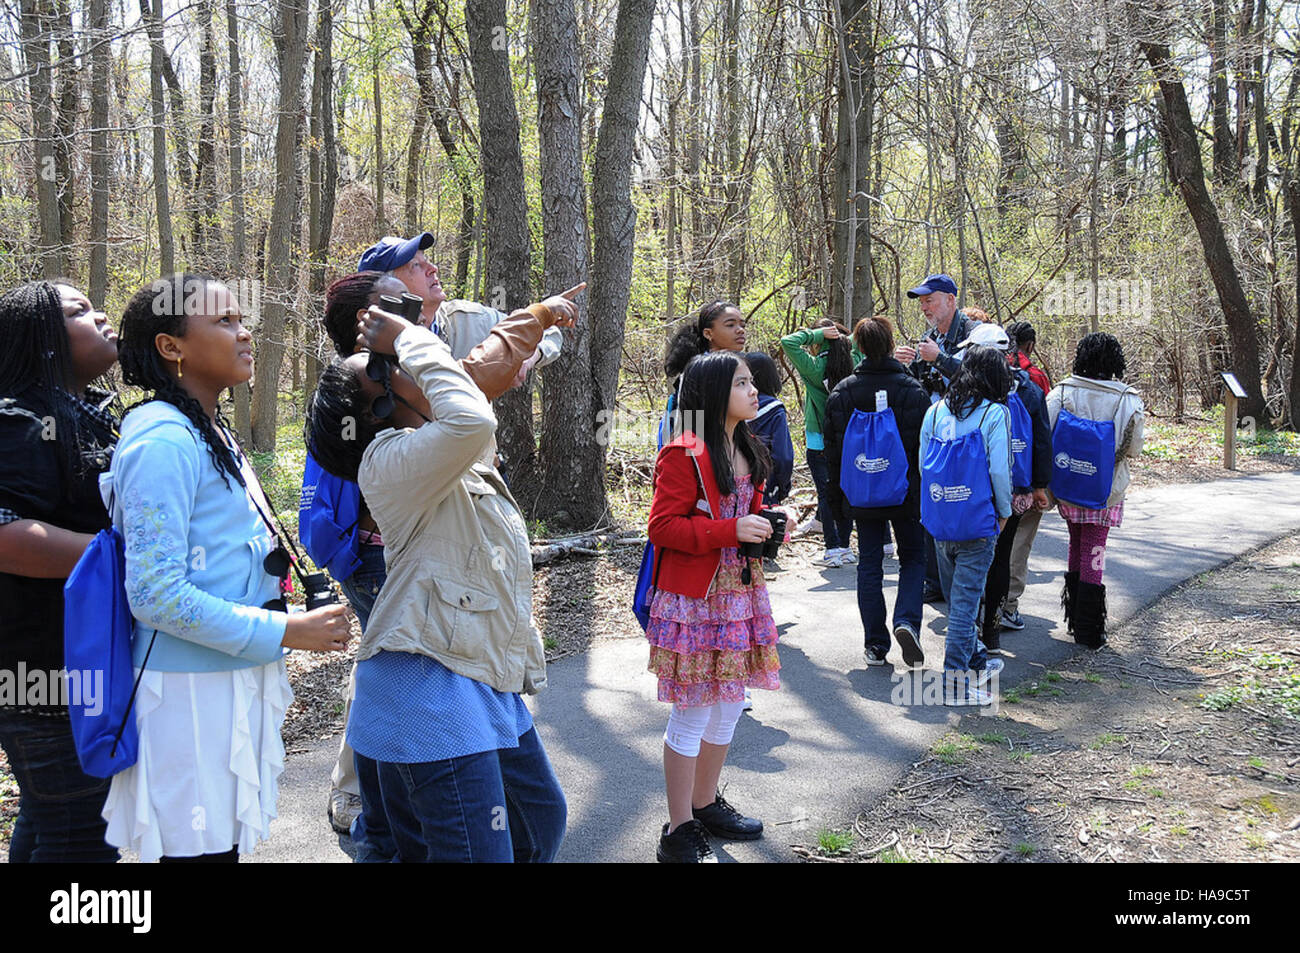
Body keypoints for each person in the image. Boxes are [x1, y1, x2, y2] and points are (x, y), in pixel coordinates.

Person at [306, 287, 578, 863]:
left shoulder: (436, 450)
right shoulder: (386, 464)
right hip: (427, 687)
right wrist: (408, 337)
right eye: (387, 369)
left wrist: (536, 317)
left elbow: (480, 378)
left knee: (538, 825)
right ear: (377, 408)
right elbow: (471, 415)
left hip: (475, 669)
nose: (410, 366)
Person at [103, 274, 352, 862]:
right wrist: (287, 629)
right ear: (172, 347)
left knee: (223, 851)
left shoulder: (203, 428)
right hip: (187, 695)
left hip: (226, 679)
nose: (245, 334)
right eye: (225, 322)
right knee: (199, 856)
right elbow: (156, 595)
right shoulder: (162, 439)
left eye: (243, 320)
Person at [0, 280, 121, 863]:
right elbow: (6, 537)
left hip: (82, 665)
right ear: (42, 337)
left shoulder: (85, 412)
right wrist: (124, 555)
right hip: (45, 674)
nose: (102, 318)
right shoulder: (18, 420)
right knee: (82, 837)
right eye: (81, 312)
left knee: (54, 820)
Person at [646, 351, 780, 863]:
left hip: (741, 594)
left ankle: (704, 803)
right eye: (742, 383)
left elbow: (742, 514)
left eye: (752, 382)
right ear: (712, 391)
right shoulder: (685, 451)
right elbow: (661, 527)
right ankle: (677, 829)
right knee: (694, 710)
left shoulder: (745, 444)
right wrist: (729, 530)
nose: (754, 391)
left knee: (728, 703)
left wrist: (765, 526)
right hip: (694, 602)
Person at [824, 315, 930, 669]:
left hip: (861, 492)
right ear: (889, 345)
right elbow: (926, 448)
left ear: (858, 347)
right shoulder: (913, 391)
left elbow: (832, 453)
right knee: (913, 558)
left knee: (869, 562)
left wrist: (838, 503)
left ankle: (875, 645)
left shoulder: (842, 392)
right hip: (907, 493)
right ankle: (906, 621)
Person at [919, 346, 1012, 706]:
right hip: (977, 521)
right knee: (964, 604)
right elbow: (1000, 470)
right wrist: (1003, 512)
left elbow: (924, 466)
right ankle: (955, 684)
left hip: (941, 520)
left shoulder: (936, 410)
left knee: (956, 599)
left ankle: (975, 660)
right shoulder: (995, 413)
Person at [950, 326, 1052, 654]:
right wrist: (1039, 486)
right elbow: (1041, 442)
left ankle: (966, 630)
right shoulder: (1028, 389)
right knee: (1000, 560)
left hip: (969, 490)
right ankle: (991, 632)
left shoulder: (964, 392)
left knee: (966, 558)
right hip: (1015, 491)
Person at [1046, 333, 1145, 649]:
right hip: (1106, 490)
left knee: (1076, 542)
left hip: (1068, 484)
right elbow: (1134, 450)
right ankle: (1090, 628)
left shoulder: (1061, 392)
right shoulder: (1128, 399)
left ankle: (1076, 618)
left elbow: (1045, 433)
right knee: (1094, 549)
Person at [359, 232, 563, 380]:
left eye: (427, 260)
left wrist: (530, 356)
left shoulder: (467, 319)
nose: (433, 269)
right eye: (416, 265)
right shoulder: (364, 347)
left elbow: (546, 331)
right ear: (387, 287)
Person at [895, 274, 977, 603]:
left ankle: (967, 583)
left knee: (963, 506)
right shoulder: (929, 337)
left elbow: (980, 379)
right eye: (922, 302)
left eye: (931, 300)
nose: (925, 307)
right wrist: (907, 366)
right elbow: (924, 388)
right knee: (932, 502)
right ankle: (935, 580)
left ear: (951, 300)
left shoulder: (973, 334)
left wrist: (938, 359)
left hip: (968, 439)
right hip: (934, 440)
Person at [781, 318, 857, 566]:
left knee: (826, 494)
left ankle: (832, 550)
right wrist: (842, 338)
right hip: (849, 437)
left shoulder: (814, 368)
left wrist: (815, 334)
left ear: (818, 344)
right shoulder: (854, 362)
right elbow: (864, 337)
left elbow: (788, 342)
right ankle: (845, 548)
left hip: (819, 439)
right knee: (847, 492)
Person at [1000, 320, 1052, 630]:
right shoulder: (1033, 381)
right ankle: (1008, 604)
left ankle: (984, 603)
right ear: (1029, 345)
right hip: (1024, 479)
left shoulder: (977, 380)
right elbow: (1042, 435)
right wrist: (1040, 485)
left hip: (990, 479)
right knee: (1018, 543)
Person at [659, 299, 747, 447]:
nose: (740, 330)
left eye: (742, 325)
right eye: (730, 325)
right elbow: (692, 428)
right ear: (708, 333)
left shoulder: (735, 367)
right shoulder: (699, 372)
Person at [744, 351, 793, 507]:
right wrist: (783, 487)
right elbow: (783, 457)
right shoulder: (775, 410)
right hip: (766, 486)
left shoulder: (734, 407)